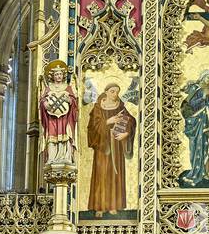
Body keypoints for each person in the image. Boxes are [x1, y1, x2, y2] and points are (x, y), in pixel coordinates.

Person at [87, 83, 136, 212]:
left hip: (117, 147)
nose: (115, 94)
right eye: (113, 91)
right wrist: (108, 121)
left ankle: (114, 206)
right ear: (106, 92)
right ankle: (99, 207)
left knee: (115, 175)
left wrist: (126, 133)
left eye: (117, 92)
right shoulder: (98, 108)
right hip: (102, 147)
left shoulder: (120, 106)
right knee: (102, 175)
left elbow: (131, 121)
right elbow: (92, 127)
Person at [181, 69, 209, 185]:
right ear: (202, 77)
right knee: (197, 146)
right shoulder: (196, 90)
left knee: (208, 143)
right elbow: (188, 105)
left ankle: (207, 171)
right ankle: (197, 171)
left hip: (208, 121)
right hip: (197, 122)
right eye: (208, 77)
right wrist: (202, 98)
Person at [38, 60, 78, 169]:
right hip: (52, 118)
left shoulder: (68, 87)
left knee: (65, 135)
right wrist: (45, 103)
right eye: (56, 74)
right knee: (52, 136)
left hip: (65, 118)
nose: (58, 76)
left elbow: (74, 101)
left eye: (60, 74)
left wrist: (69, 100)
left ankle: (66, 156)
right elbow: (42, 101)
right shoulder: (48, 88)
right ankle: (52, 157)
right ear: (52, 76)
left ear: (63, 75)